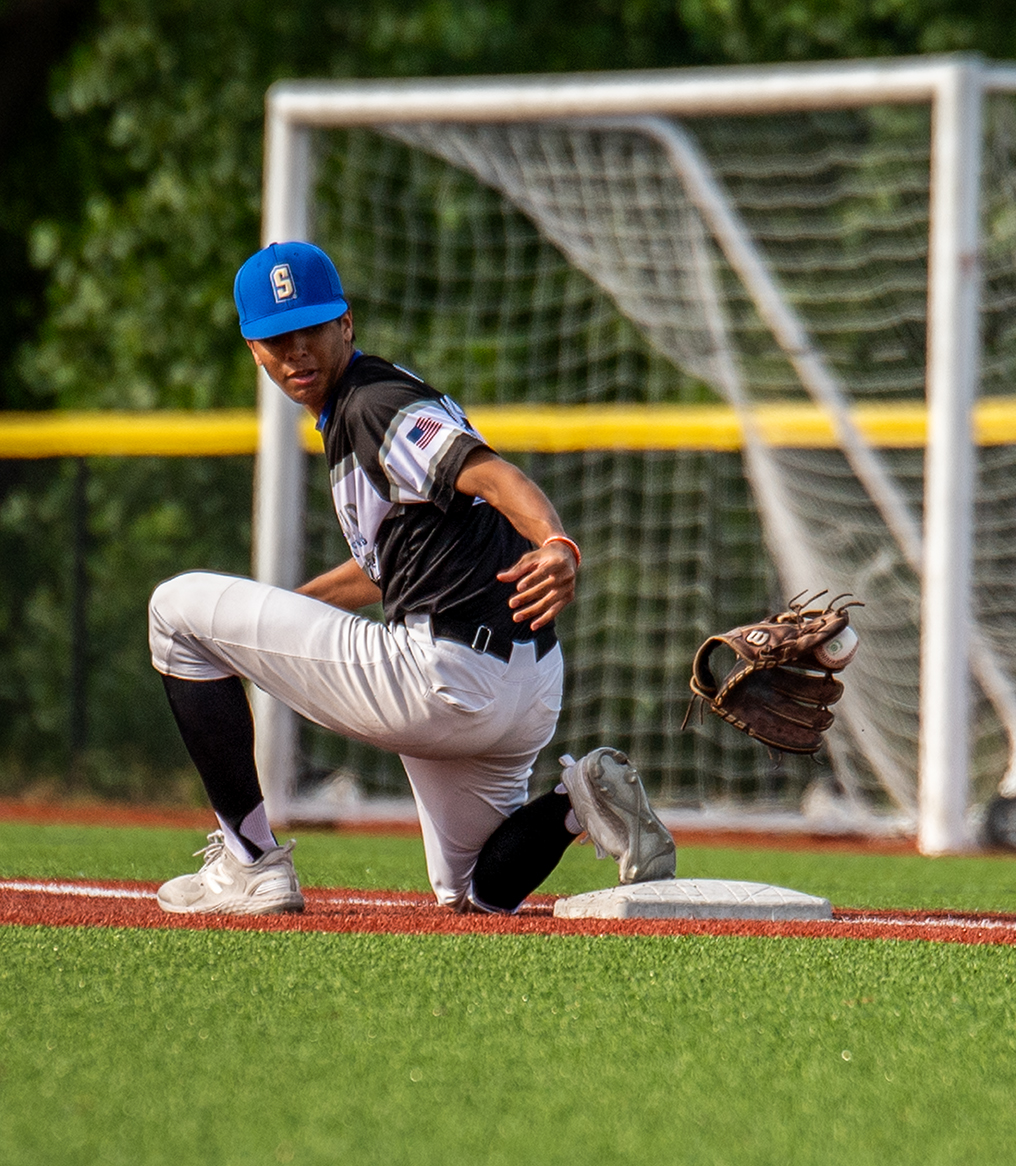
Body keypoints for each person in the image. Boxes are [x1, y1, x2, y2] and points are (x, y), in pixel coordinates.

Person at [149, 241, 676, 916]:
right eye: (278, 339)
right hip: (524, 684)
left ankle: (250, 861)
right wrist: (278, 620)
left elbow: (492, 473)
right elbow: (381, 572)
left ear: (346, 324)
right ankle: (578, 803)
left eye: (311, 328)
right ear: (254, 349)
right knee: (471, 890)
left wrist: (557, 542)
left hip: (442, 674)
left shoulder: (374, 405)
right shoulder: (365, 405)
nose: (297, 353)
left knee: (174, 610)